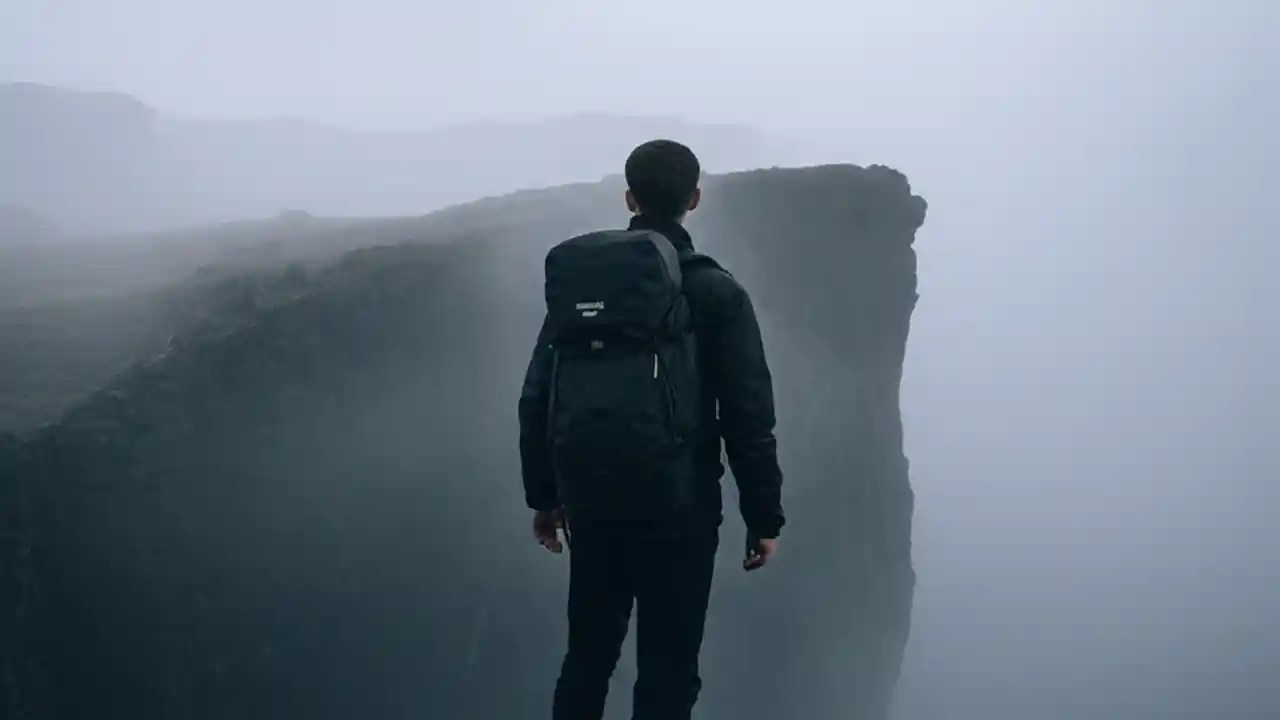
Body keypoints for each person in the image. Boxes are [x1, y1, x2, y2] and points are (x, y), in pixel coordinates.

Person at [518, 139, 785, 720]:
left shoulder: (583, 292)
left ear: (628, 197)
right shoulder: (715, 291)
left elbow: (536, 396)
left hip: (592, 502)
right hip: (681, 511)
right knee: (667, 671)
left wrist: (545, 498)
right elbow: (748, 414)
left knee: (587, 658)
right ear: (694, 197)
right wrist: (763, 516)